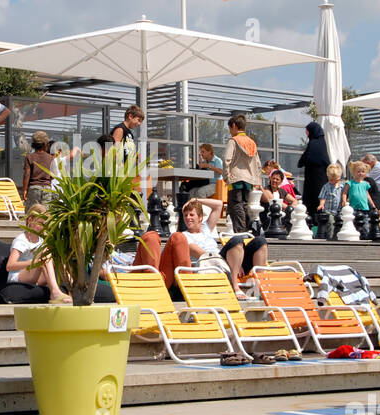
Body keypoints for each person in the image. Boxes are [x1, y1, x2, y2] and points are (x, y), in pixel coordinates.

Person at [137, 197, 267, 298]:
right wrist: (234, 261)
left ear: (200, 218)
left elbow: (218, 205)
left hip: (227, 262)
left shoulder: (206, 228)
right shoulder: (182, 237)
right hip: (209, 264)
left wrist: (196, 200)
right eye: (185, 215)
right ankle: (235, 286)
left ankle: (260, 287)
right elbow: (202, 255)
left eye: (191, 215)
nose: (188, 218)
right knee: (237, 241)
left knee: (260, 241)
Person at [7, 204, 71, 304]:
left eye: (45, 224)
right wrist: (34, 262)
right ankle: (54, 292)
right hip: (18, 276)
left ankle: (73, 291)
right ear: (30, 220)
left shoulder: (41, 240)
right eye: (40, 223)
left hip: (35, 276)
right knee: (45, 253)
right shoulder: (21, 240)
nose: (43, 227)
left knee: (57, 258)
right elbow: (10, 266)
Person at [223, 113, 261, 233]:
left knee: (235, 204)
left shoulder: (233, 141)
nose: (230, 131)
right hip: (249, 179)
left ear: (234, 126)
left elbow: (227, 160)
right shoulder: (252, 143)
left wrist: (226, 175)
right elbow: (258, 164)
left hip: (236, 178)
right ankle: (247, 229)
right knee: (244, 204)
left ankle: (239, 230)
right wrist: (257, 179)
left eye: (230, 128)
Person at [297, 123, 331, 219]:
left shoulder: (313, 143)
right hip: (320, 177)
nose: (306, 133)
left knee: (313, 199)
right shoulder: (321, 143)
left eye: (307, 131)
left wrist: (302, 162)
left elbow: (306, 158)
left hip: (314, 177)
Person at [341, 159, 378, 241]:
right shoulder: (350, 183)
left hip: (364, 207)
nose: (360, 173)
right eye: (358, 172)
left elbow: (367, 195)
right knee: (353, 222)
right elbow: (344, 193)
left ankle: (365, 237)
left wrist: (373, 205)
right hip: (353, 207)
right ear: (353, 172)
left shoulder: (365, 184)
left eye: (362, 171)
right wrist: (344, 201)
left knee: (365, 223)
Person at [22, 131, 58, 207]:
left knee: (32, 212)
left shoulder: (29, 157)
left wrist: (25, 190)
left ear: (33, 145)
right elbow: (54, 175)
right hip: (47, 188)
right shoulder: (51, 158)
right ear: (46, 144)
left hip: (33, 188)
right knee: (45, 213)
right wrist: (46, 179)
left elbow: (26, 175)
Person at [316, 163, 345, 240]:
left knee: (340, 225)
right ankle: (331, 238)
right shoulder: (326, 186)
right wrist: (321, 204)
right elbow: (323, 197)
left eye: (335, 180)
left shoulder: (342, 186)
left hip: (339, 211)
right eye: (330, 179)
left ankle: (339, 238)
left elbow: (345, 195)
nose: (332, 182)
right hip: (328, 211)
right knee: (331, 224)